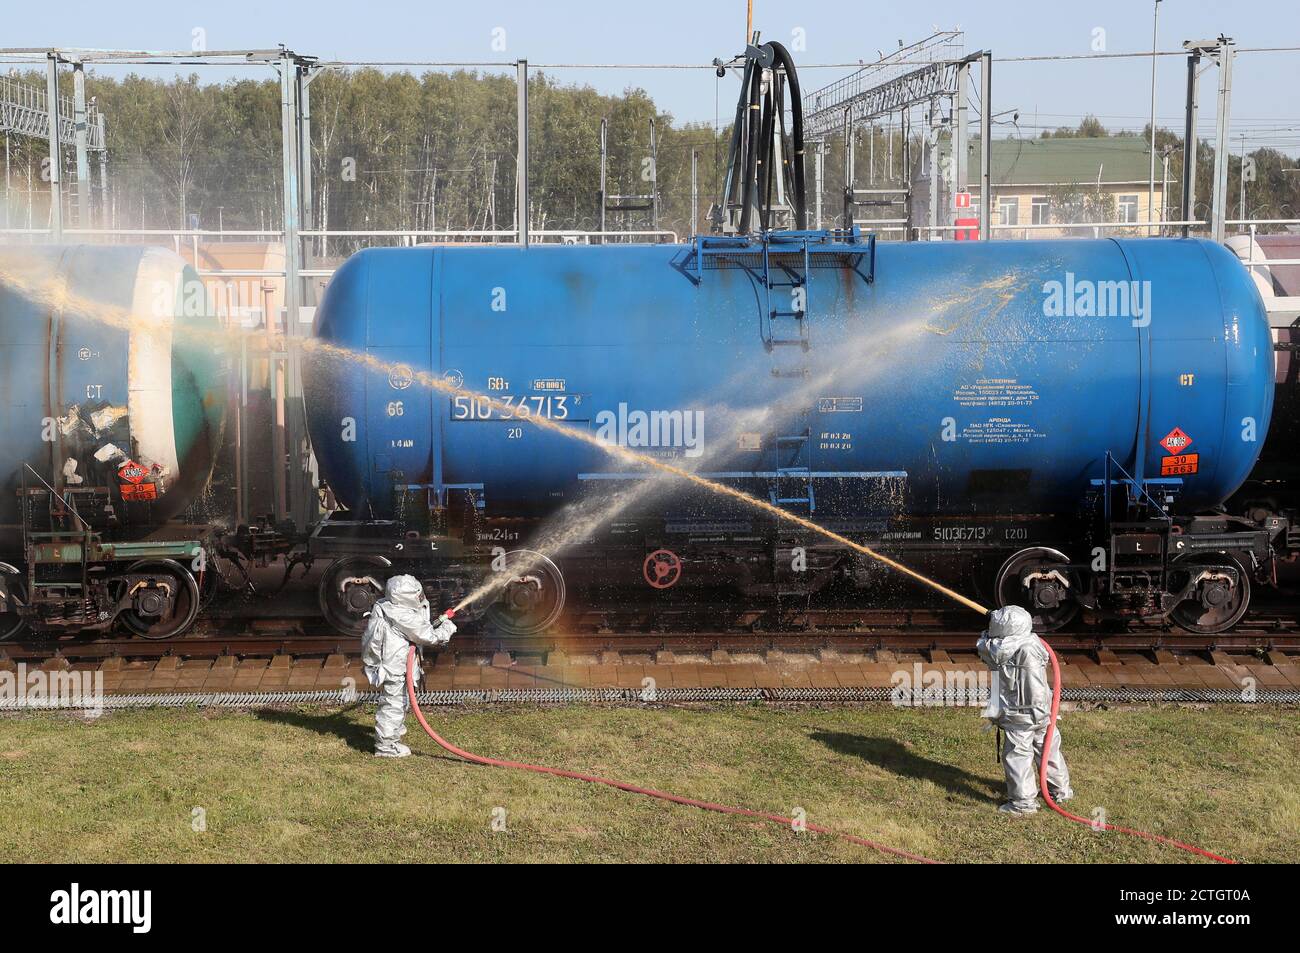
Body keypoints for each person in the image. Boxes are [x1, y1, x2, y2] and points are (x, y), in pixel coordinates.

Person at [976, 605, 1073, 815]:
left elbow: (983, 647)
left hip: (1020, 713)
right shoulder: (1034, 642)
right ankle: (1060, 790)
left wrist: (987, 633)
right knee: (1049, 750)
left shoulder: (1000, 648)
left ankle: (1023, 803)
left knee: (1018, 756)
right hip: (1044, 710)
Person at [360, 575, 456, 757]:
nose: (420, 597)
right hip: (396, 666)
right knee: (393, 705)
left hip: (394, 662)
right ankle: (386, 747)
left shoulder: (387, 605)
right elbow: (428, 636)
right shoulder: (402, 615)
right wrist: (448, 628)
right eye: (417, 595)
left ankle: (392, 737)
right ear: (406, 597)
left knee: (398, 702)